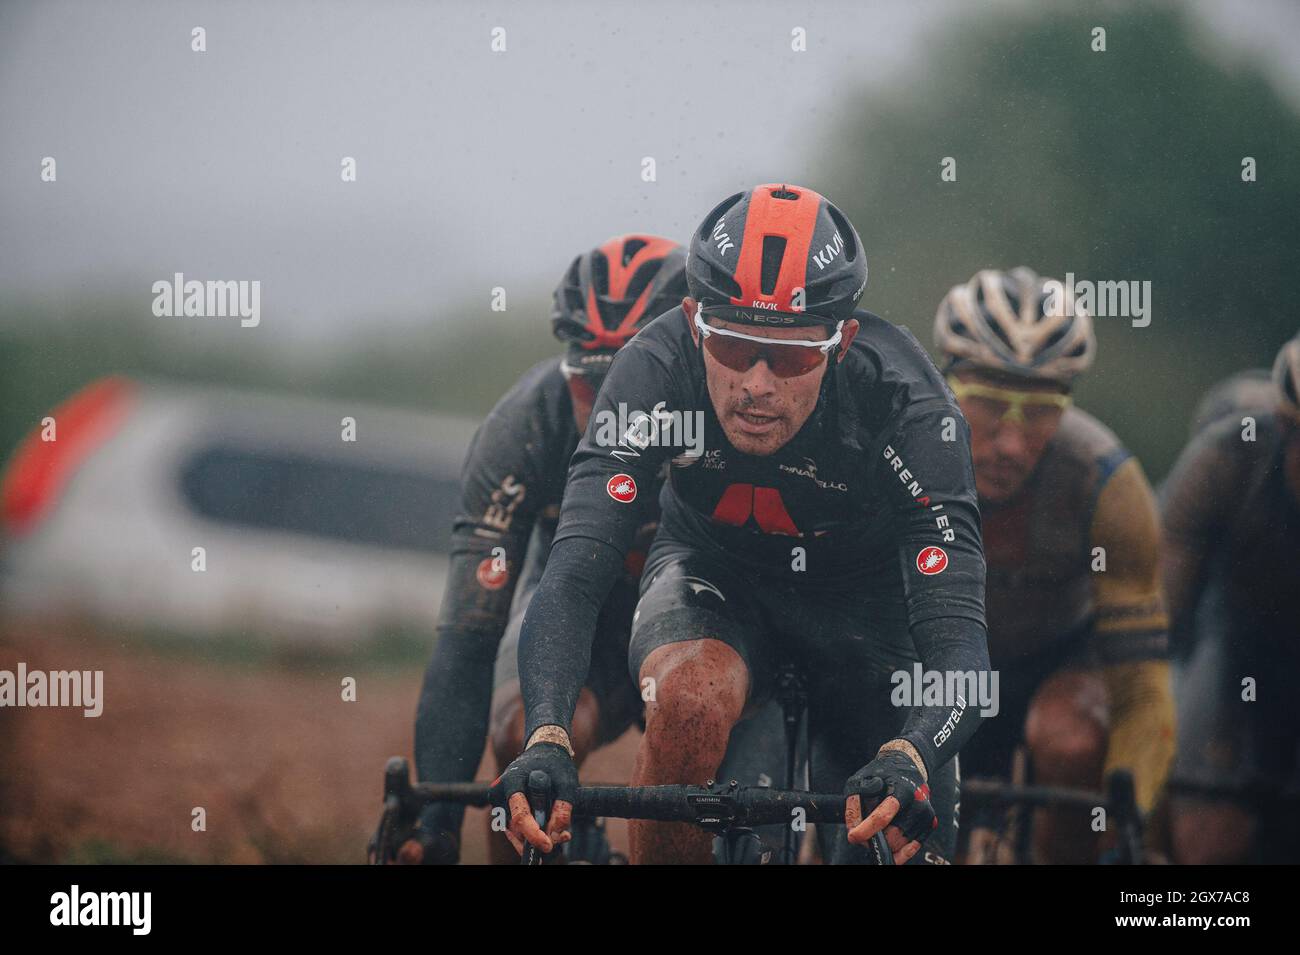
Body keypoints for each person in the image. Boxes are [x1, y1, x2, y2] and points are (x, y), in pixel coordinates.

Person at [493, 183, 991, 865]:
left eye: (789, 357)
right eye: (732, 348)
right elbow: (575, 571)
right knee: (688, 698)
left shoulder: (907, 403)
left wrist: (913, 751)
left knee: (892, 836)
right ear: (694, 320)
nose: (757, 383)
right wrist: (546, 734)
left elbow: (960, 644)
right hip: (716, 579)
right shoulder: (656, 367)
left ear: (842, 341)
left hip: (869, 614)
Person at [406, 234, 687, 864]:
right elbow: (468, 641)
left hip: (701, 621)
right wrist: (435, 830)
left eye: (632, 380)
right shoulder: (525, 426)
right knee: (518, 736)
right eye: (592, 386)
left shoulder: (732, 410)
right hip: (575, 626)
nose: (612, 408)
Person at [932, 267, 1176, 864]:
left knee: (1071, 737)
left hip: (1056, 666)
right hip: (927, 666)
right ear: (943, 387)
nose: (1011, 441)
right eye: (988, 405)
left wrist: (1130, 816)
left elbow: (1142, 690)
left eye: (1040, 410)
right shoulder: (895, 454)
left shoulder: (1106, 482)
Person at [1162, 334, 1300, 864]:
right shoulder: (1226, 458)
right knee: (1210, 816)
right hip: (1236, 646)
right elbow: (1163, 607)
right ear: (1285, 429)